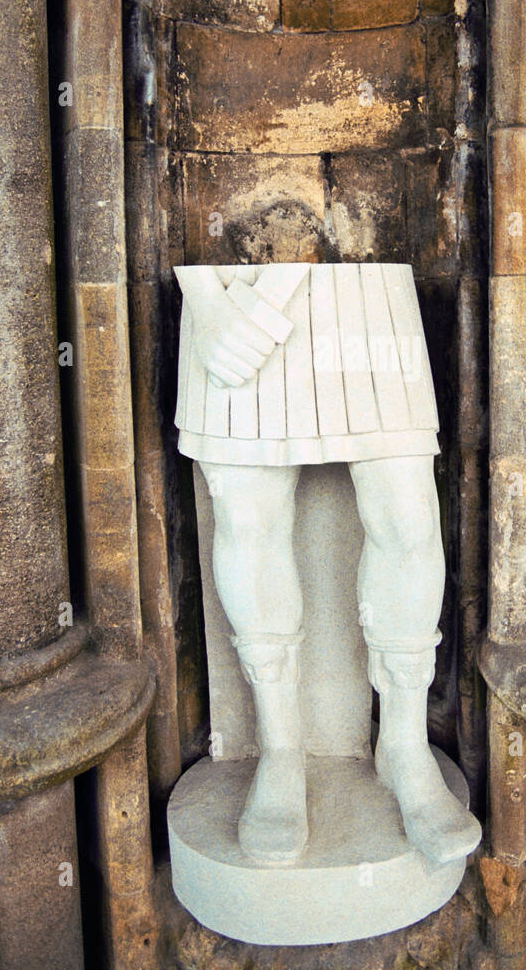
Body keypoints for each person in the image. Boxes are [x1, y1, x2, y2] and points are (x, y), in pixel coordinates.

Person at [174, 262, 481, 867]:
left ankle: (404, 746)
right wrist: (203, 295)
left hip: (371, 290)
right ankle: (281, 751)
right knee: (247, 521)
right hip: (234, 298)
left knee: (410, 521)